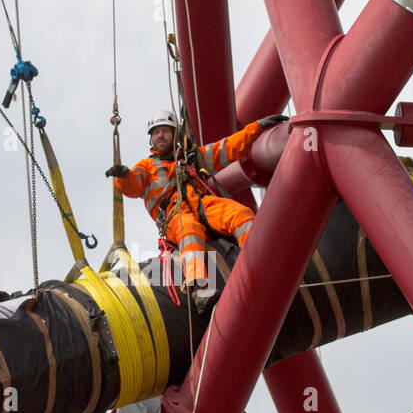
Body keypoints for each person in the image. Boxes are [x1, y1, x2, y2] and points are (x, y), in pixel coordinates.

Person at [106, 109, 287, 309]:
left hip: (203, 205)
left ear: (175, 134)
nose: (160, 136)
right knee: (189, 231)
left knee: (240, 214)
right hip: (174, 215)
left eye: (165, 131)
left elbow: (228, 148)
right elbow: (133, 185)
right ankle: (199, 287)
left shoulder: (191, 157)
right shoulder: (146, 167)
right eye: (156, 132)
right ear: (151, 138)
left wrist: (257, 127)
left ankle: (261, 262)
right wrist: (123, 176)